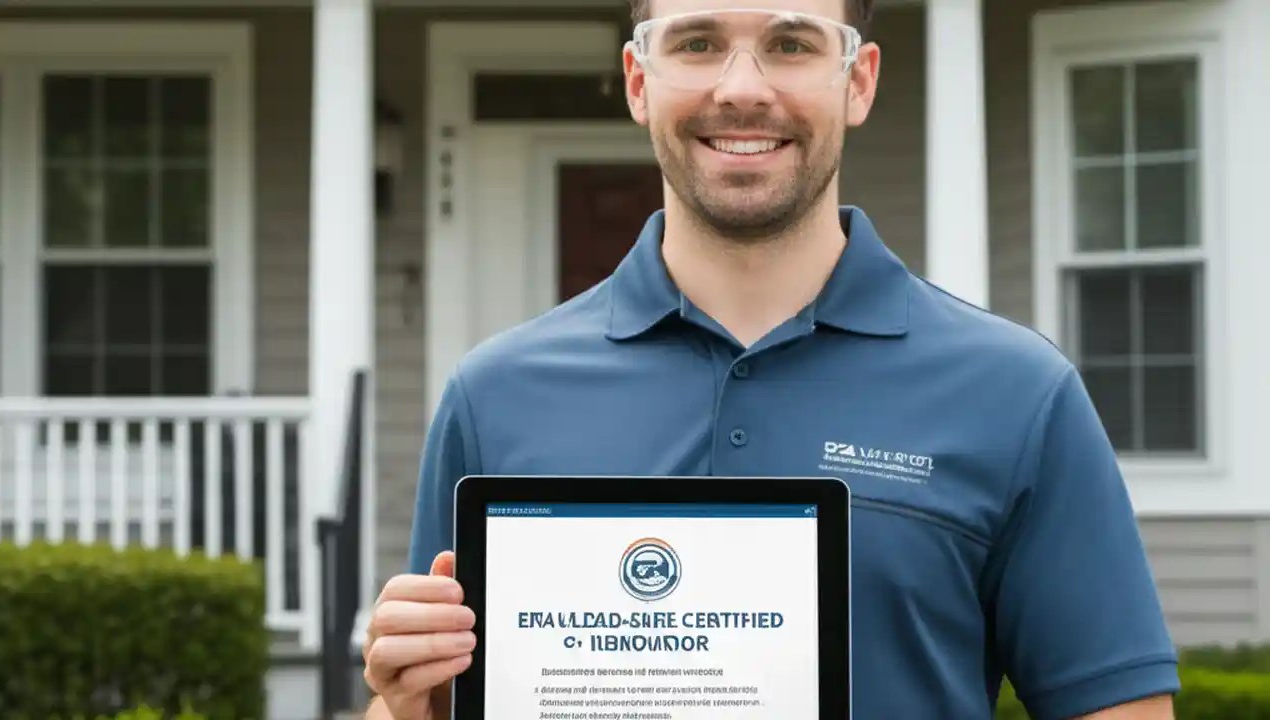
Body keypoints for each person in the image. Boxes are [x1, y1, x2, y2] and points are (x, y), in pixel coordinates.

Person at [363, 0, 1182, 717]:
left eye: (792, 44)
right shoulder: (496, 394)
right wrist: (409, 708)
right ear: (639, 79)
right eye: (696, 43)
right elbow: (423, 704)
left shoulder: (1018, 394)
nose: (743, 87)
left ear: (857, 82)